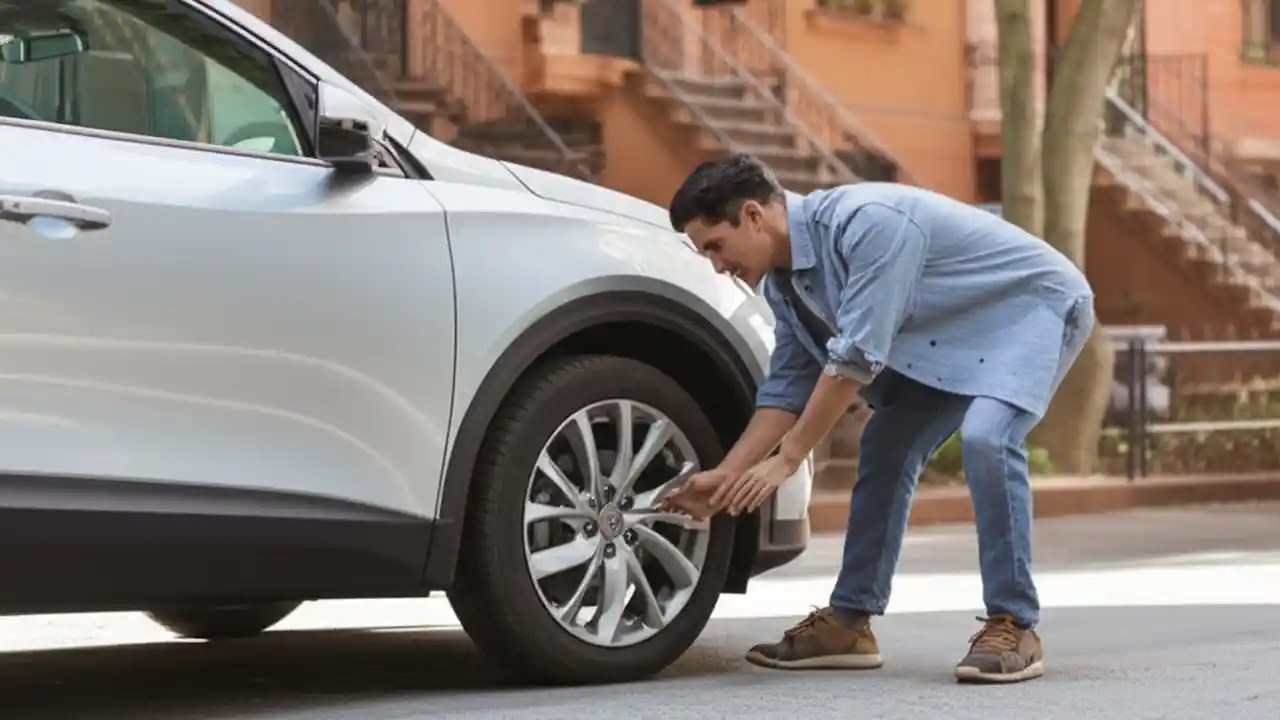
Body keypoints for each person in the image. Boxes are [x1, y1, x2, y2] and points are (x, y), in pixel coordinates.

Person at [661, 154, 1094, 684]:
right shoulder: (786, 287)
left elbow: (856, 359)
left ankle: (1014, 622)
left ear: (752, 215)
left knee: (987, 438)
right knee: (885, 445)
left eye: (715, 247)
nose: (717, 265)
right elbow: (786, 390)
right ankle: (849, 622)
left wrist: (790, 458)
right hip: (945, 340)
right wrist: (727, 477)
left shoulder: (869, 222)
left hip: (1028, 310)